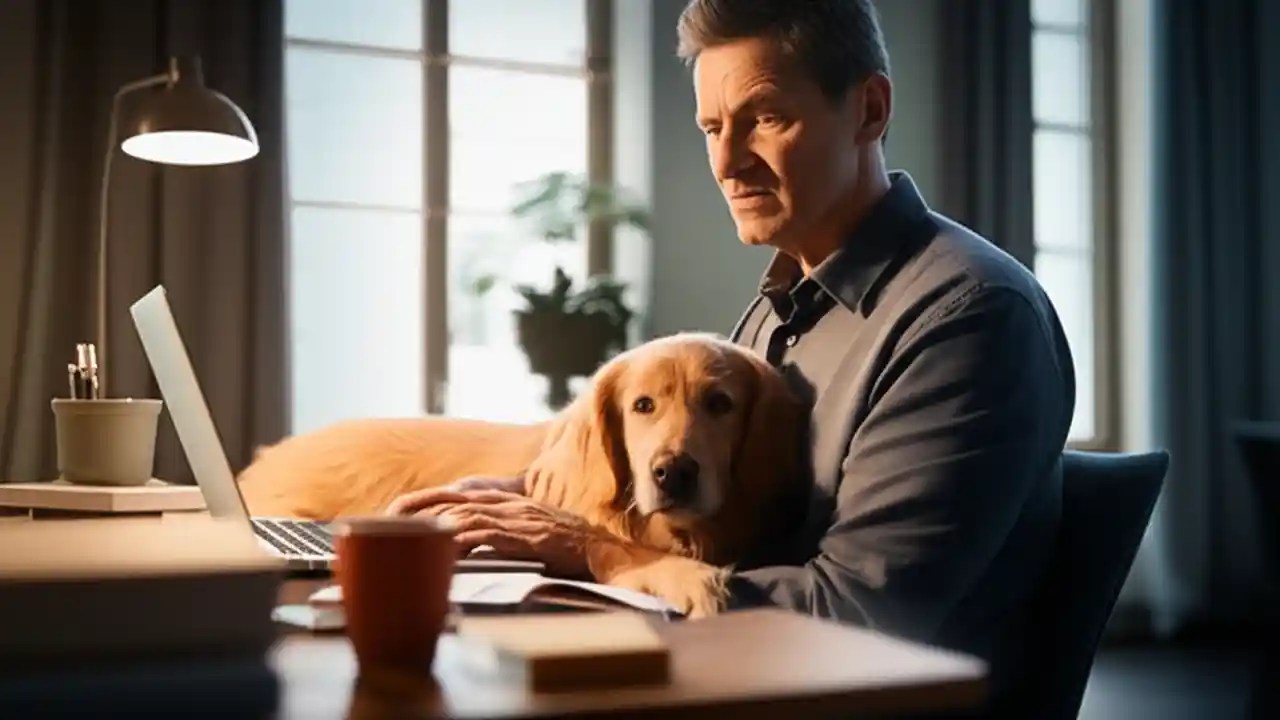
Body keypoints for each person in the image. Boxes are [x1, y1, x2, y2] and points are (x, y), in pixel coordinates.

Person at [388, 0, 1075, 706]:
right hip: (732, 677)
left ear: (869, 110)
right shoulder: (778, 310)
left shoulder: (969, 316)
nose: (726, 162)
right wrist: (524, 507)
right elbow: (715, 539)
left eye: (765, 118)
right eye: (713, 128)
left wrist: (595, 552)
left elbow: (861, 619)